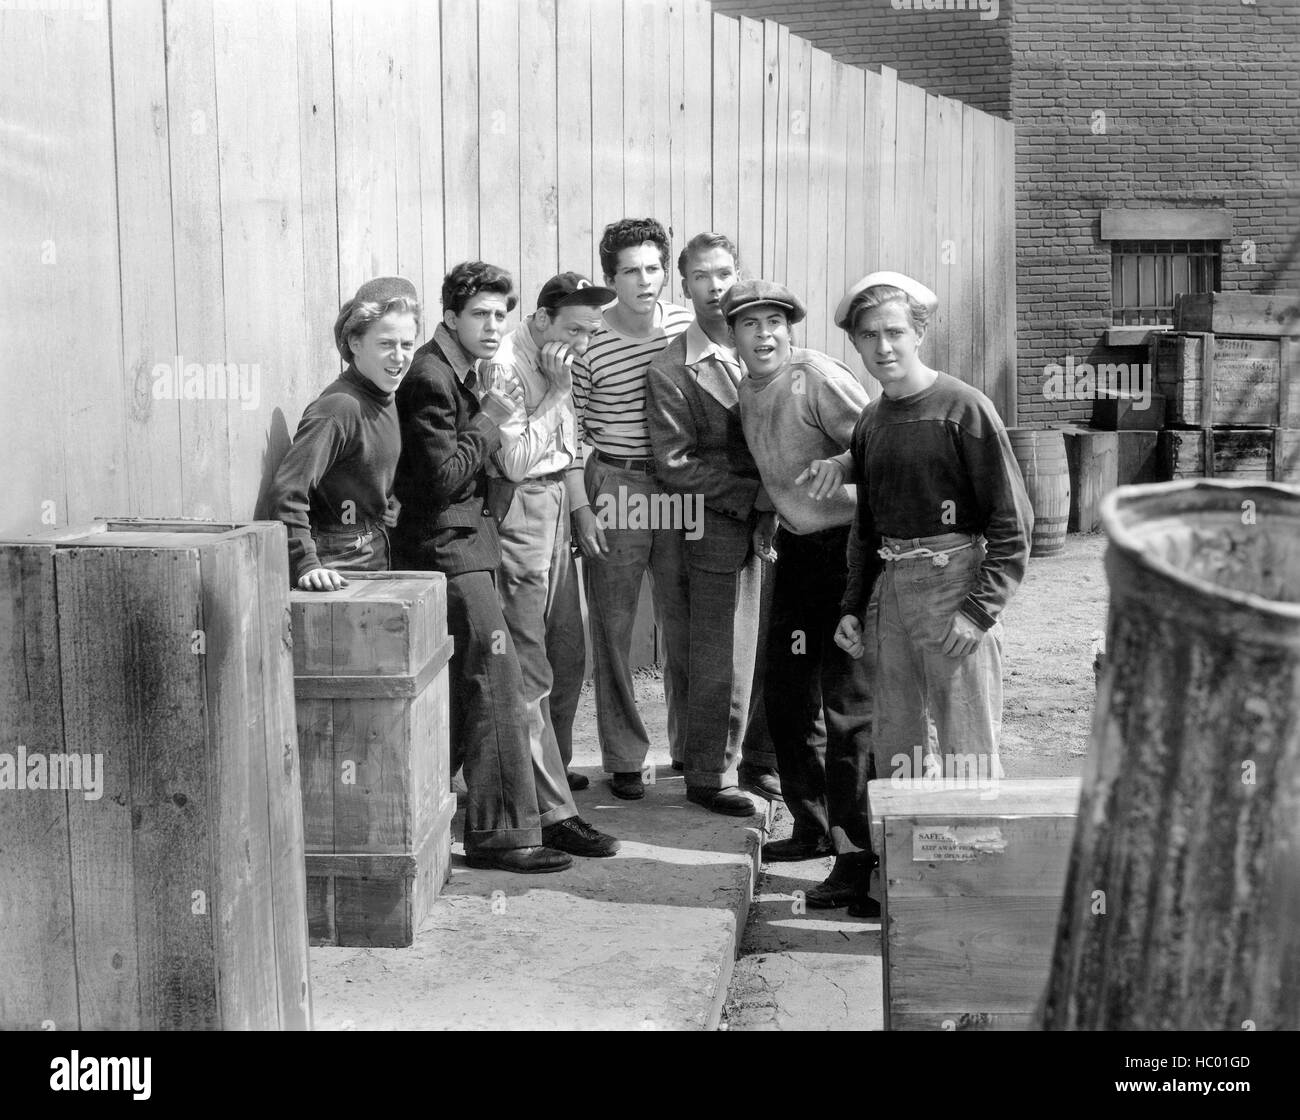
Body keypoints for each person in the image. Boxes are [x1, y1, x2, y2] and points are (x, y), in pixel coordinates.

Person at [390, 261, 572, 873]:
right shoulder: (431, 378)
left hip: (468, 544)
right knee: (496, 683)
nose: (493, 326)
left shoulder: (458, 371)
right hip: (447, 548)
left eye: (501, 314)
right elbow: (441, 479)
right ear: (450, 318)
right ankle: (503, 836)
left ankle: (419, 816)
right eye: (479, 315)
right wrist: (492, 418)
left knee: (467, 689)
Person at [824, 273, 1032, 809]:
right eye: (869, 335)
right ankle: (908, 882)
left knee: (968, 747)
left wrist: (978, 612)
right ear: (856, 343)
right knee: (898, 746)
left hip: (954, 586)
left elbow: (1012, 522)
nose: (883, 346)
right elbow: (867, 527)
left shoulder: (963, 407)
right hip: (891, 593)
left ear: (919, 333)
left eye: (894, 331)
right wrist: (854, 605)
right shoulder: (870, 420)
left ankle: (974, 877)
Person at [727, 278, 879, 913]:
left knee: (846, 706)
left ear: (791, 329)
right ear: (731, 334)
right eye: (750, 324)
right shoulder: (747, 388)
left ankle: (857, 856)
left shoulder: (814, 376)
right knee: (789, 694)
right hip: (795, 549)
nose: (765, 334)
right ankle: (812, 825)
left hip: (845, 551)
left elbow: (875, 444)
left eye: (775, 323)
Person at [482, 272, 622, 856]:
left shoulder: (558, 359)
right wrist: (561, 392)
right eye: (573, 330)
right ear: (540, 320)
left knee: (569, 651)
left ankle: (554, 770)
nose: (582, 345)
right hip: (518, 509)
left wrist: (579, 507)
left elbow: (569, 445)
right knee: (531, 668)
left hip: (556, 505)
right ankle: (549, 810)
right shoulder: (507, 369)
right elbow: (512, 461)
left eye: (590, 333)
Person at [645, 233, 779, 816]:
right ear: (685, 286)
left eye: (724, 273)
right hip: (721, 520)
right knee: (720, 650)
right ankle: (708, 773)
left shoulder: (766, 345)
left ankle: (763, 761)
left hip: (784, 521)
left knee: (776, 644)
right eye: (701, 276)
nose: (715, 286)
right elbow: (675, 464)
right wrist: (755, 497)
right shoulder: (672, 368)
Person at [571, 218, 693, 801]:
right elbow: (568, 432)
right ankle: (623, 756)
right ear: (610, 278)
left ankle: (693, 751)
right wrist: (581, 510)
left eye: (653, 267)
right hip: (617, 485)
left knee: (684, 621)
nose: (645, 280)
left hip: (679, 487)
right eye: (630, 271)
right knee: (613, 625)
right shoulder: (588, 341)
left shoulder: (687, 327)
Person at [267, 276, 417, 590]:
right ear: (355, 343)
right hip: (338, 561)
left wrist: (383, 497)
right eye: (386, 344)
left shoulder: (383, 394)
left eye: (407, 344)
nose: (399, 356)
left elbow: (361, 464)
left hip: (375, 543)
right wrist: (306, 563)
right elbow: (288, 490)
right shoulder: (339, 408)